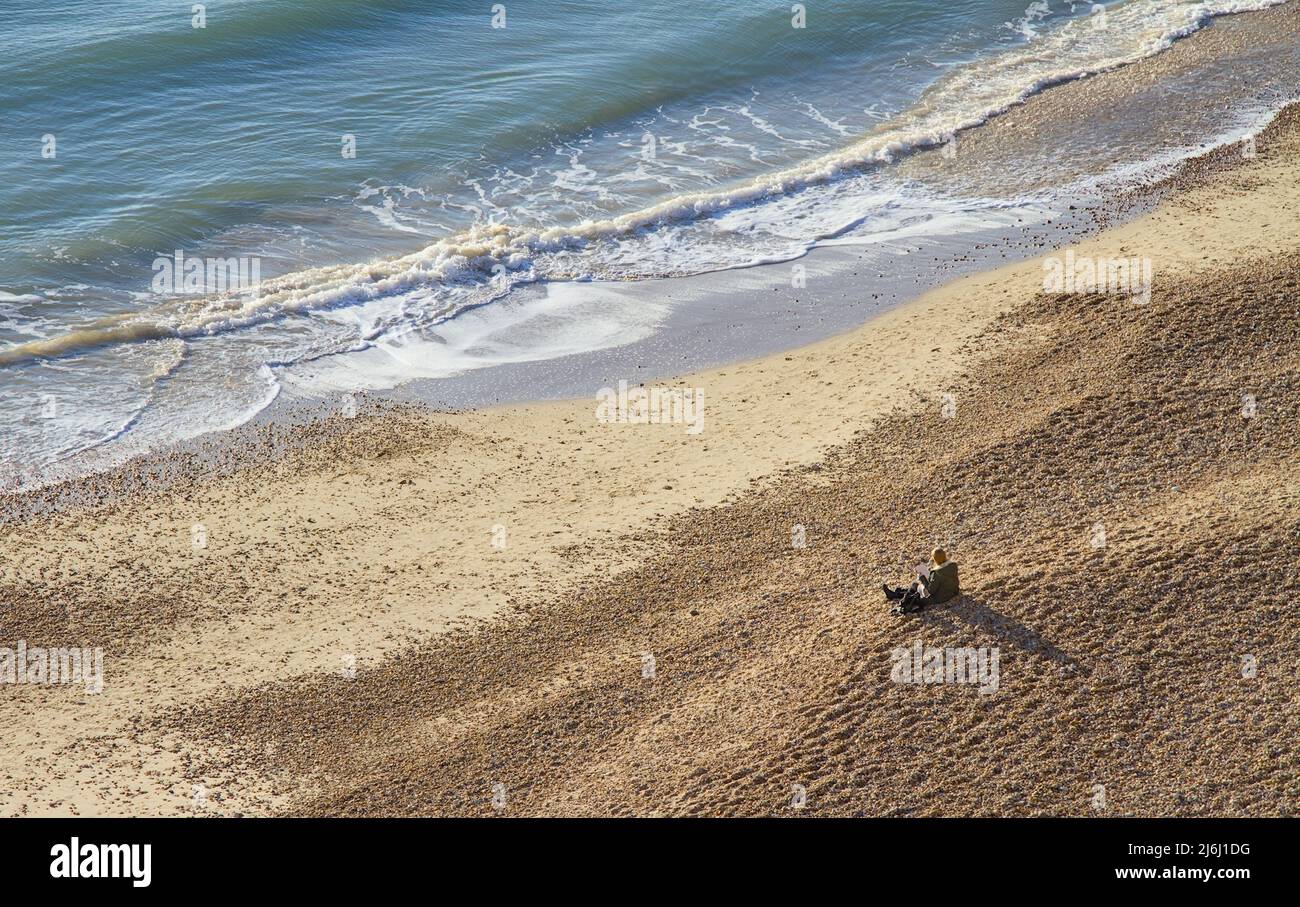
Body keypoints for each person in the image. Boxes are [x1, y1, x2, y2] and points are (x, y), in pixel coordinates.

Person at [883, 548, 960, 614]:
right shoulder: (953, 565)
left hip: (939, 597)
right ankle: (895, 594)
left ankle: (896, 595)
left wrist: (922, 578)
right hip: (952, 592)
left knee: (915, 586)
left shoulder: (937, 573)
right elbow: (942, 579)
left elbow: (930, 591)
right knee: (915, 588)